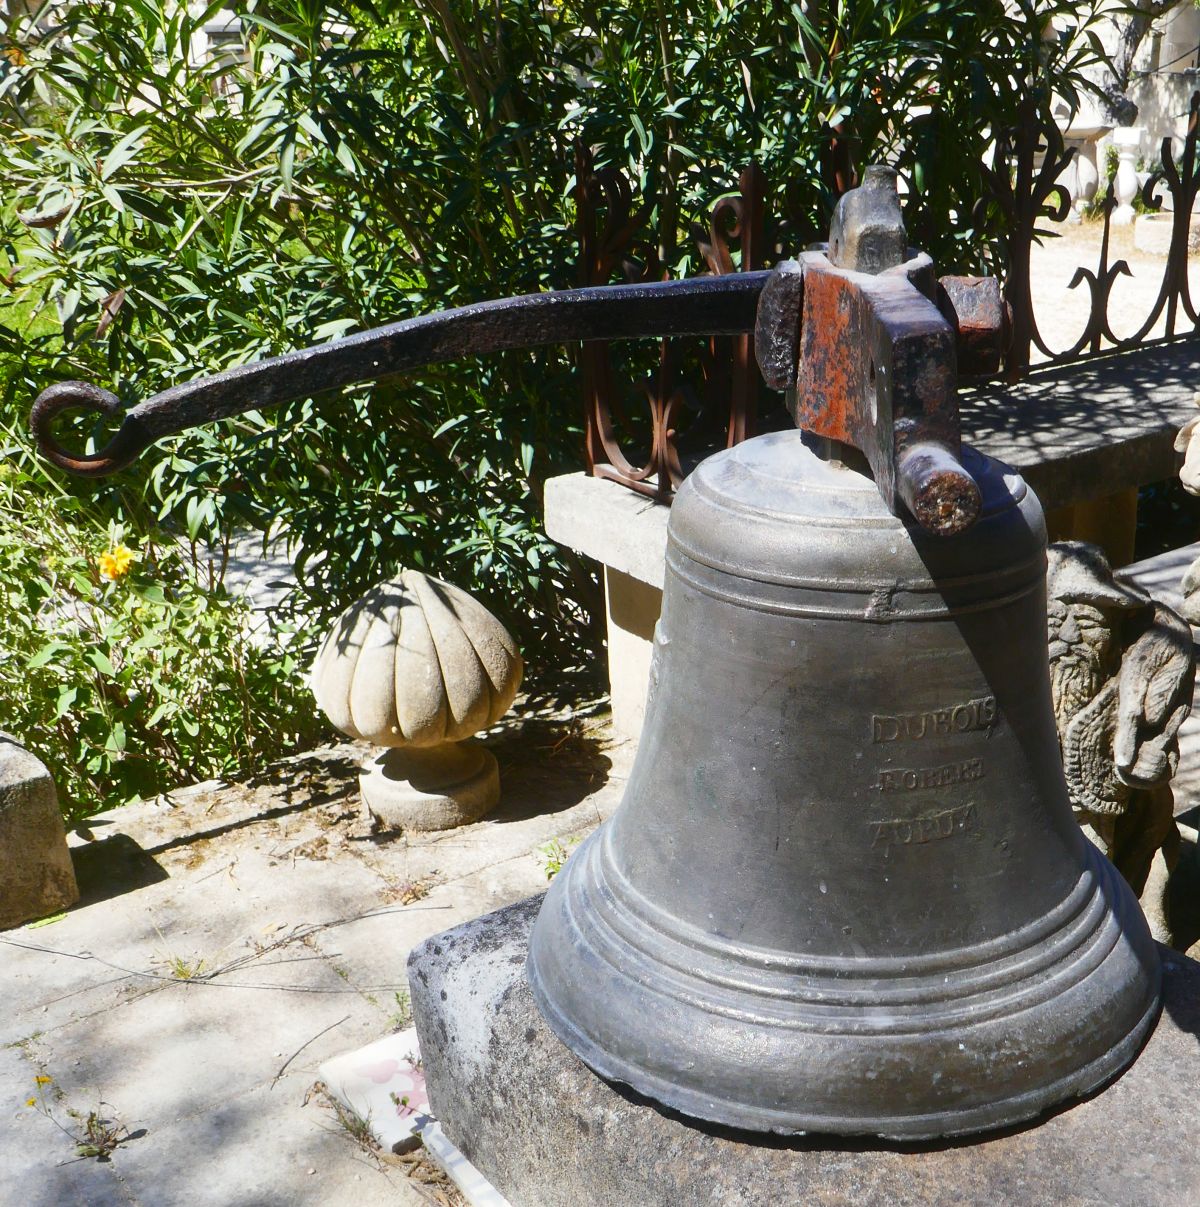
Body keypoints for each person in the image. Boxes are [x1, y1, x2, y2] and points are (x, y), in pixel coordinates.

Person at [1046, 542, 1194, 941]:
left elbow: (1155, 756)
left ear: (1114, 628)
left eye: (1088, 622)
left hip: (1100, 816)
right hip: (1032, 816)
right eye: (1055, 620)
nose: (1069, 635)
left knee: (1098, 873)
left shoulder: (1121, 684)